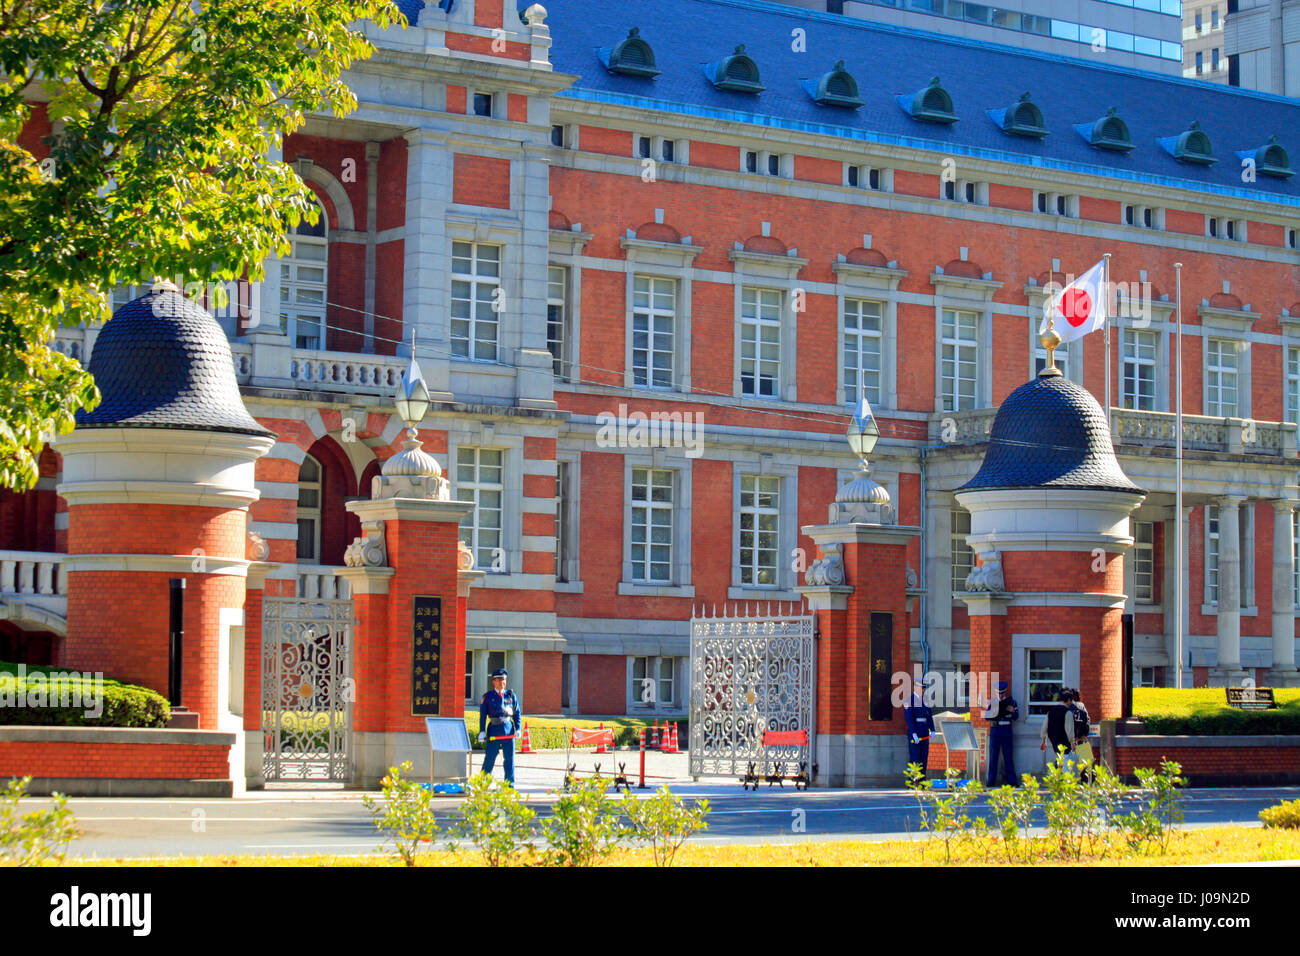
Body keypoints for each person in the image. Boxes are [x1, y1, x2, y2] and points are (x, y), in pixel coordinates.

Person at [478, 667, 522, 785]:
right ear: (494, 681)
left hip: (508, 730)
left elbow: (517, 713)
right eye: (499, 680)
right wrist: (482, 731)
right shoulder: (487, 696)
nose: (502, 682)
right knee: (490, 759)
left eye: (504, 680)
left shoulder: (511, 695)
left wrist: (518, 728)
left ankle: (509, 785)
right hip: (494, 730)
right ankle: (483, 784)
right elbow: (483, 715)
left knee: (509, 760)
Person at [983, 681, 1019, 786]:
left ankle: (1012, 781)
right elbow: (986, 717)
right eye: (999, 693)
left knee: (1008, 757)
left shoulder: (1012, 702)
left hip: (1007, 731)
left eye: (1002, 693)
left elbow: (1016, 717)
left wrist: (1012, 711)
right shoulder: (993, 702)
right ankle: (991, 781)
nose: (1001, 695)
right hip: (996, 731)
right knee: (993, 757)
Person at [903, 677, 934, 781]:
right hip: (915, 732)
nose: (923, 690)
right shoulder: (909, 700)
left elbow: (929, 715)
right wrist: (914, 733)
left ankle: (922, 781)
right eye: (921, 688)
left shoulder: (925, 700)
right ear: (915, 687)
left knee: (923, 757)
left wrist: (932, 729)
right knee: (915, 758)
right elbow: (909, 719)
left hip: (924, 731)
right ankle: (913, 782)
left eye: (924, 688)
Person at [1040, 688, 1076, 773]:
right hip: (1065, 743)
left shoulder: (1051, 711)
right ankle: (1065, 782)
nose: (1071, 702)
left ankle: (1058, 779)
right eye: (1070, 700)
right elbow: (1069, 730)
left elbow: (1044, 728)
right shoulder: (1068, 713)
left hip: (1054, 742)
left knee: (1060, 760)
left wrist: (1044, 741)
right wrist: (1072, 742)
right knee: (1067, 766)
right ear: (1068, 700)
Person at [1069, 688, 1094, 782]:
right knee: (1085, 764)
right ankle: (1086, 782)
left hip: (1070, 740)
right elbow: (1087, 721)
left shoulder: (1067, 707)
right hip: (1081, 740)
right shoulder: (1081, 706)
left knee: (1066, 764)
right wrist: (1083, 735)